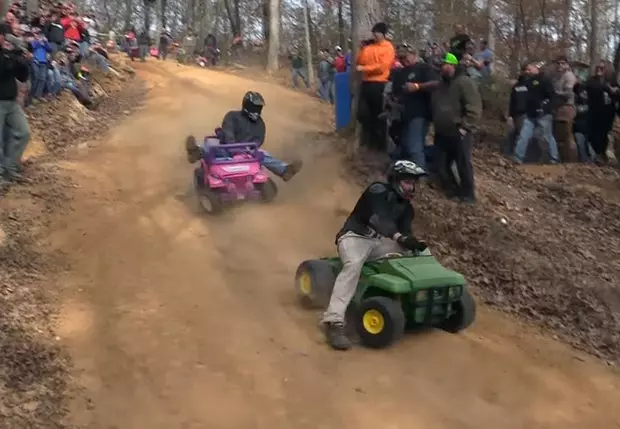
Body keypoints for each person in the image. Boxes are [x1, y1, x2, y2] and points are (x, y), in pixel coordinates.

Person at [321, 160, 430, 350]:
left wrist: (412, 242)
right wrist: (399, 237)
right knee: (353, 265)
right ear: (395, 180)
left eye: (413, 183)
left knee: (421, 252)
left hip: (378, 243)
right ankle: (333, 321)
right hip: (354, 238)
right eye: (407, 181)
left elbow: (405, 232)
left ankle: (421, 299)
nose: (411, 187)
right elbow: (377, 219)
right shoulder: (377, 191)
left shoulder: (406, 207)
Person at [188, 91, 302, 182]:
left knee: (263, 154)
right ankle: (196, 151)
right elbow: (228, 132)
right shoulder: (232, 116)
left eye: (259, 108)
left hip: (246, 153)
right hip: (226, 147)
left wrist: (248, 150)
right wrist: (233, 147)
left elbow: (259, 140)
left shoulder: (260, 123)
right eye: (255, 107)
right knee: (211, 144)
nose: (257, 111)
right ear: (247, 105)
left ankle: (284, 171)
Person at [430, 52, 482, 204]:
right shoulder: (440, 85)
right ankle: (452, 190)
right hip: (441, 132)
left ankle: (468, 195)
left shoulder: (464, 82)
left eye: (444, 64)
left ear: (452, 65)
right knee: (440, 163)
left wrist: (465, 127)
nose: (441, 67)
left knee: (463, 163)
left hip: (459, 130)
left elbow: (474, 107)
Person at [389, 45, 438, 168]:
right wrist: (394, 101)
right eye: (401, 58)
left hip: (420, 113)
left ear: (413, 54)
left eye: (406, 56)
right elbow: (396, 93)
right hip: (404, 115)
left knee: (414, 147)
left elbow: (436, 84)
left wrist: (417, 87)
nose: (404, 60)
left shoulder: (424, 68)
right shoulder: (399, 73)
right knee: (405, 146)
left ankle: (420, 177)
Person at [356, 22, 395, 152]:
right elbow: (359, 61)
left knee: (379, 115)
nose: (375, 36)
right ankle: (368, 141)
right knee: (362, 114)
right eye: (374, 33)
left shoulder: (388, 47)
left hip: (379, 83)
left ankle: (380, 145)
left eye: (377, 33)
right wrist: (362, 49)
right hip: (366, 83)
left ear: (383, 34)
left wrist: (365, 68)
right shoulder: (369, 46)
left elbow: (382, 67)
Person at [0, 23, 31, 183]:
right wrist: (10, 55)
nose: (6, 39)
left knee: (24, 132)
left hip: (11, 101)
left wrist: (22, 60)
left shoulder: (8, 54)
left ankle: (10, 167)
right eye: (4, 35)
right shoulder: (5, 55)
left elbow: (22, 77)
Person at [512, 61, 560, 165]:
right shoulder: (528, 82)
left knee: (547, 137)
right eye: (526, 70)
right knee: (524, 135)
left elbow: (552, 97)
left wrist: (545, 107)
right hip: (530, 115)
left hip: (544, 115)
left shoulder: (545, 80)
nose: (527, 71)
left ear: (536, 68)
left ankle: (554, 158)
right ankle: (518, 158)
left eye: (529, 69)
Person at [584, 61, 617, 164]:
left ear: (607, 70)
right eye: (597, 67)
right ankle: (596, 155)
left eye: (602, 68)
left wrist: (615, 91)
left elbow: (616, 94)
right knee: (592, 135)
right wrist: (608, 89)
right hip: (594, 112)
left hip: (607, 114)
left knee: (603, 136)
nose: (599, 69)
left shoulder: (612, 81)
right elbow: (591, 87)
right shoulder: (592, 80)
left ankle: (602, 156)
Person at [551, 55, 577, 161]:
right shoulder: (556, 77)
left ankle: (571, 160)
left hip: (567, 108)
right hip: (558, 109)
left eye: (562, 63)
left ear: (567, 64)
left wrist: (555, 93)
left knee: (567, 135)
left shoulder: (569, 76)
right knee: (559, 136)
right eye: (558, 63)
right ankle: (562, 159)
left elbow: (568, 93)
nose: (560, 65)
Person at [504, 64, 529, 156]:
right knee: (512, 134)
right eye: (524, 70)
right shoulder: (516, 86)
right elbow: (512, 101)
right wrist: (510, 115)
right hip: (516, 114)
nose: (526, 72)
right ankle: (508, 153)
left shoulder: (532, 84)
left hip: (526, 113)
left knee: (522, 135)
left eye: (528, 70)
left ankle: (520, 155)